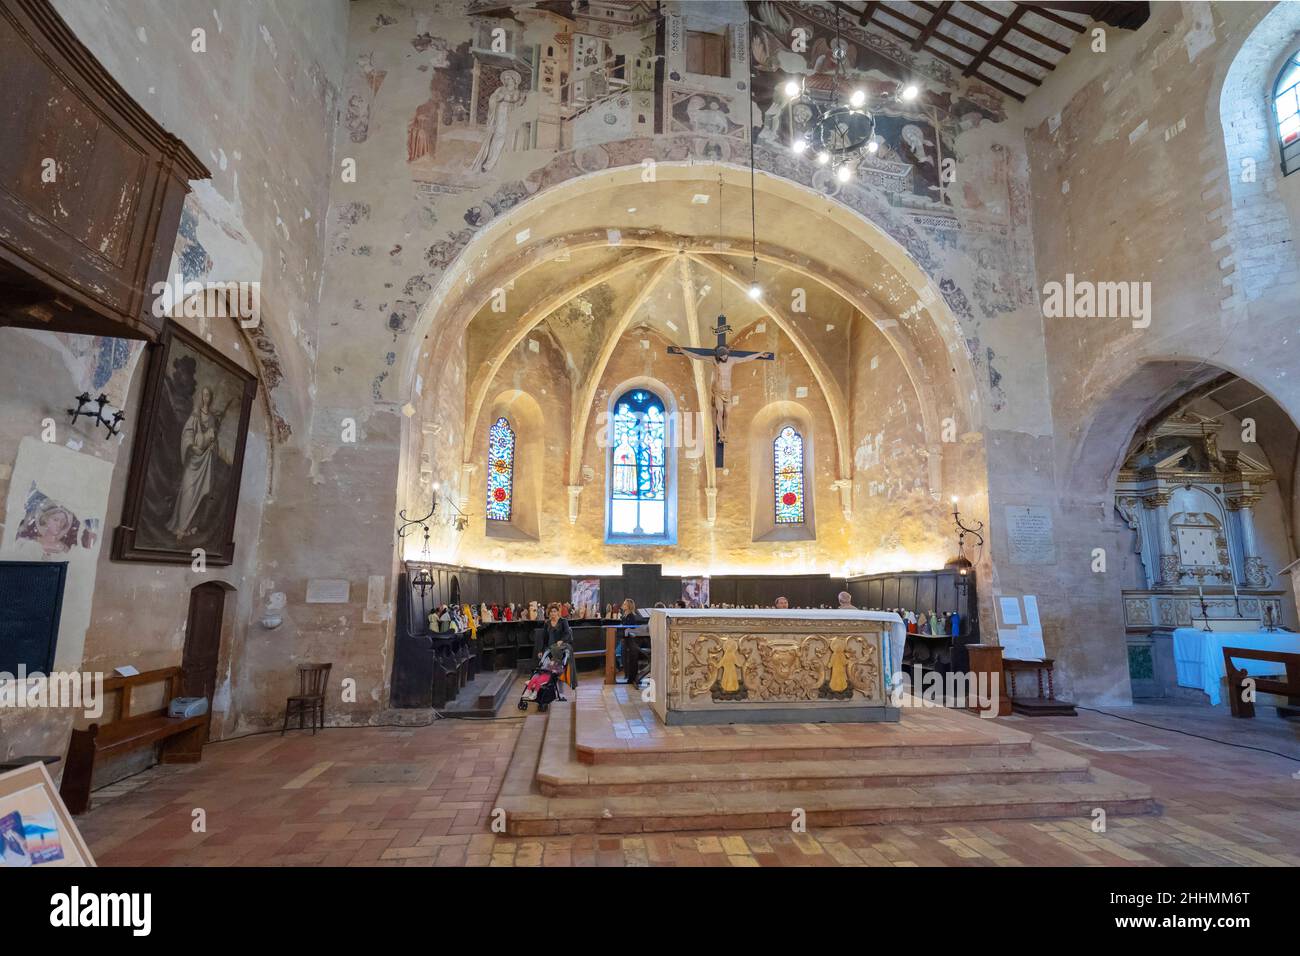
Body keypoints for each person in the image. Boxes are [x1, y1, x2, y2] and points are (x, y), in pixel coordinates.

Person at [620, 598, 643, 686]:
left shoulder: (631, 616)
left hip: (631, 639)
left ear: (629, 606)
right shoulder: (625, 615)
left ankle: (632, 677)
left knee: (631, 659)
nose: (623, 605)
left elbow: (632, 628)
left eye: (625, 604)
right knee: (626, 659)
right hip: (625, 638)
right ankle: (628, 676)